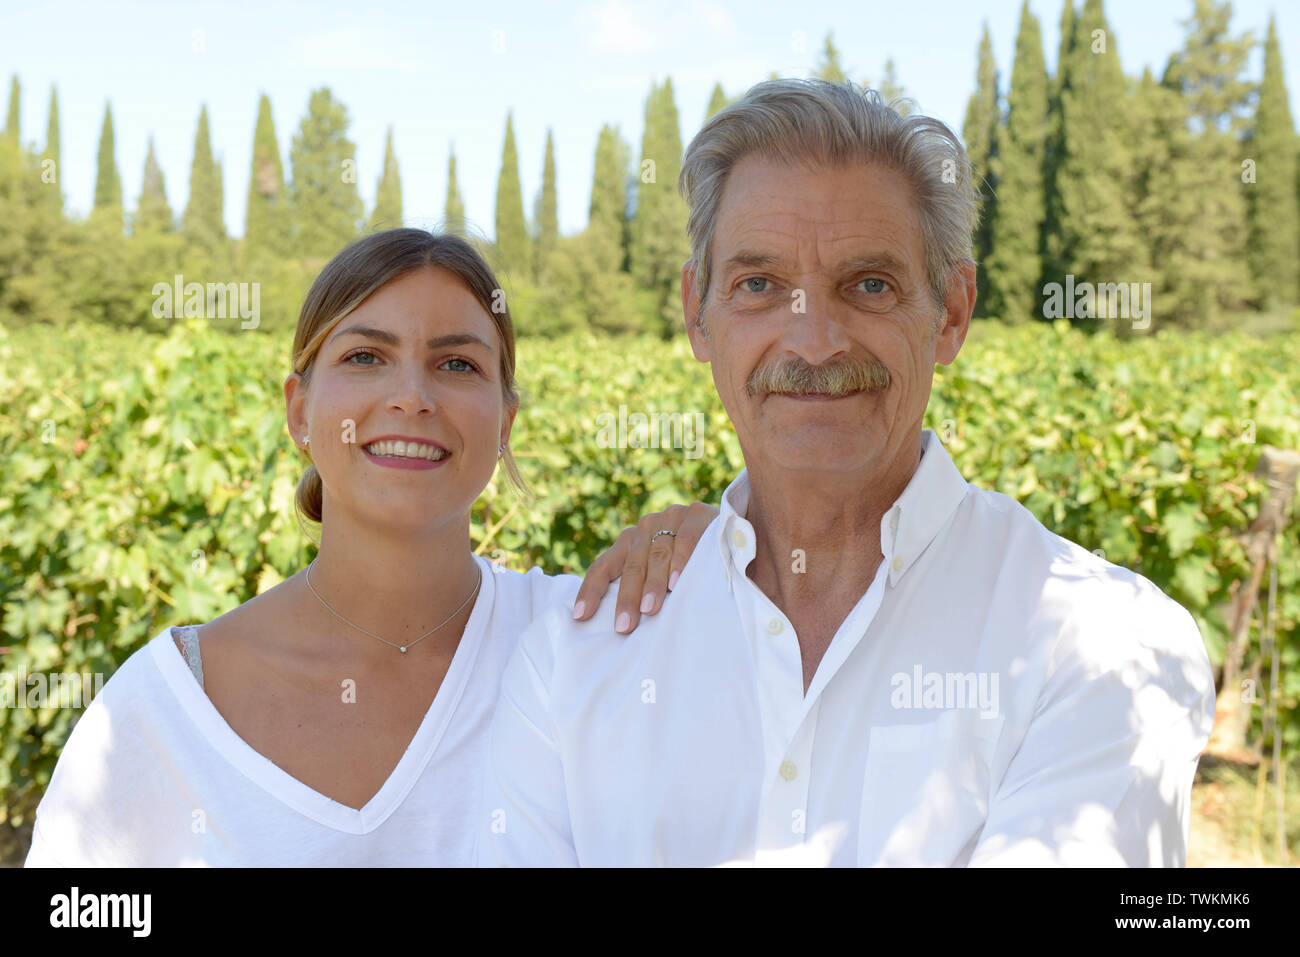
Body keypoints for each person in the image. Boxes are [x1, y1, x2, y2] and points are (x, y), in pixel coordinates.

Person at [478, 78, 1217, 867]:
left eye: (870, 284)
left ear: (952, 312)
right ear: (699, 313)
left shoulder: (1107, 643)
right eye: (759, 284)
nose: (815, 341)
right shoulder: (573, 658)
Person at [24, 228, 717, 866]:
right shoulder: (156, 715)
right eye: (365, 356)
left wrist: (729, 552)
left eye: (456, 364)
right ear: (301, 409)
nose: (412, 395)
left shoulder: (594, 644)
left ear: (505, 421)